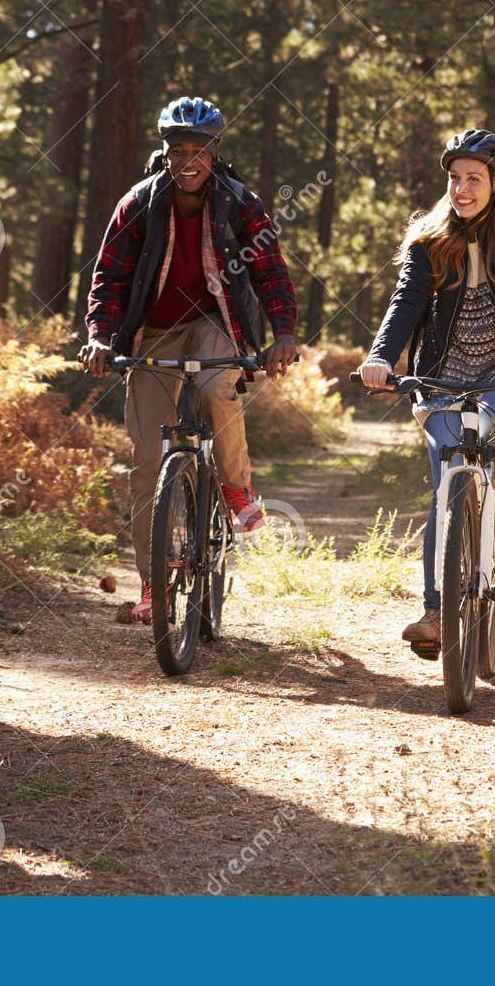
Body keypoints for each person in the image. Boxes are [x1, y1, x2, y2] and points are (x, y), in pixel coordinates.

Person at [80, 95, 298, 624]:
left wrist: (283, 333)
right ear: (166, 152)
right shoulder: (138, 204)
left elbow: (270, 272)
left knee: (216, 385)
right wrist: (101, 336)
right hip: (153, 328)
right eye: (178, 150)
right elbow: (108, 278)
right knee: (147, 460)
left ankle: (234, 484)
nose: (188, 162)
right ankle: (155, 587)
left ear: (214, 153)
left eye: (198, 151)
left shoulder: (241, 203)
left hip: (217, 322)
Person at [358, 130, 495, 646]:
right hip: (441, 374)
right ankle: (435, 611)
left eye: (473, 179)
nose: (461, 188)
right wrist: (381, 357)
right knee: (445, 485)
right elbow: (406, 303)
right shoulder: (428, 239)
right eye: (455, 178)